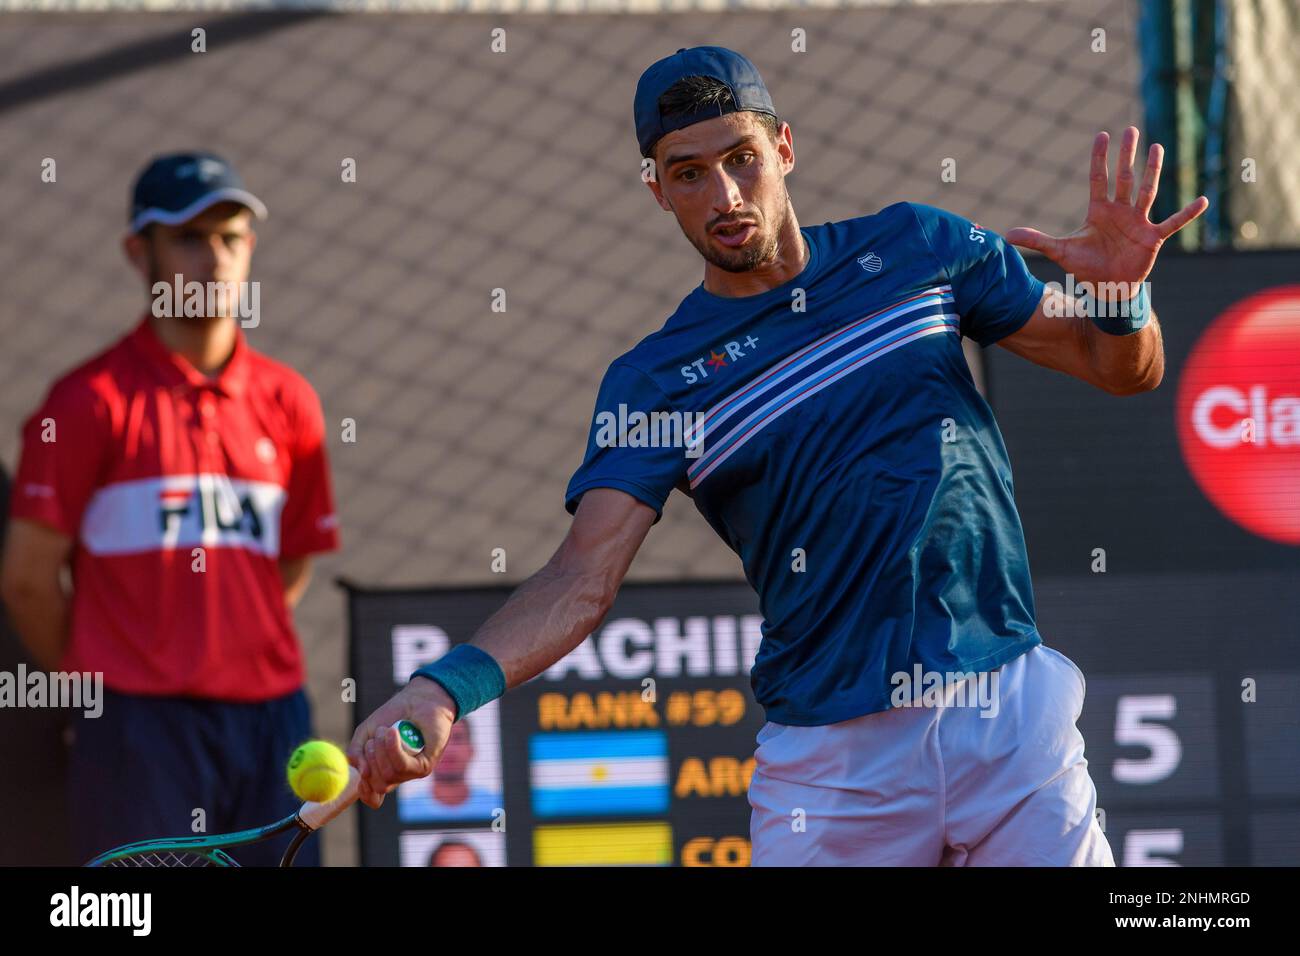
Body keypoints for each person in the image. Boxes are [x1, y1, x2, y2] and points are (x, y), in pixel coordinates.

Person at [348, 46, 1207, 866]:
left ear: (784, 148)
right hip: (834, 764)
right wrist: (443, 688)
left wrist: (1118, 296)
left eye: (741, 158)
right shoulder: (655, 383)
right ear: (659, 192)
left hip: (1008, 710)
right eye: (689, 172)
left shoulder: (921, 248)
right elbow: (582, 577)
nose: (724, 193)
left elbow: (1121, 370)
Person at [1, 151, 340, 866]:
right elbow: (28, 581)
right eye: (188, 238)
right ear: (139, 251)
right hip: (136, 730)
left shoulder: (291, 402)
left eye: (231, 236)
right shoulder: (84, 404)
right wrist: (108, 685)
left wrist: (227, 645)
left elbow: (291, 562)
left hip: (274, 727)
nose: (214, 259)